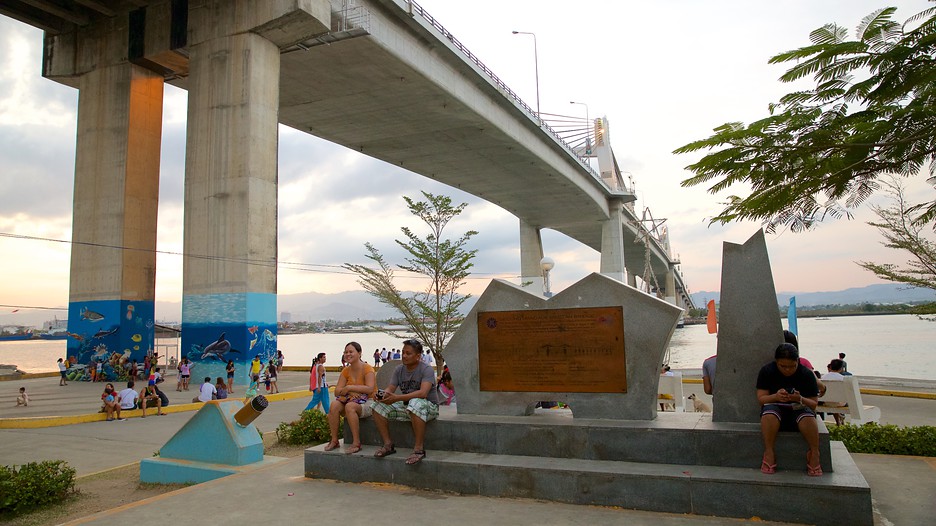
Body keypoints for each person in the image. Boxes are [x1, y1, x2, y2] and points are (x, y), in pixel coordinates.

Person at [756, 342, 822, 476]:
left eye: (792, 366)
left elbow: (814, 404)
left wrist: (800, 398)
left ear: (797, 361)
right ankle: (769, 451)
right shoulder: (767, 371)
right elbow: (762, 399)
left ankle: (814, 452)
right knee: (769, 414)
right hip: (775, 406)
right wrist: (776, 397)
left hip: (799, 407)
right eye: (783, 366)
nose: (787, 370)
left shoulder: (806, 374)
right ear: (776, 362)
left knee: (808, 418)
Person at [371, 339, 440, 465]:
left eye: (408, 353)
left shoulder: (427, 370)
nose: (404, 356)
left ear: (418, 356)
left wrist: (397, 398)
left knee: (415, 402)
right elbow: (390, 389)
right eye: (403, 352)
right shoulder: (399, 370)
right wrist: (382, 395)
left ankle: (418, 449)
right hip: (408, 407)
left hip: (429, 407)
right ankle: (388, 445)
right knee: (376, 406)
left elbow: (423, 393)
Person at [324, 341, 376, 454]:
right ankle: (334, 440)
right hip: (350, 399)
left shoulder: (368, 369)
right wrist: (349, 391)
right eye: (346, 352)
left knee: (350, 406)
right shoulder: (346, 371)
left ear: (359, 353)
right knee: (334, 405)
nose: (348, 354)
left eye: (351, 352)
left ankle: (356, 443)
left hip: (368, 402)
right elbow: (337, 391)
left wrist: (349, 387)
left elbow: (370, 389)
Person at [820, 359, 848, 425]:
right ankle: (840, 417)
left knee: (833, 399)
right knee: (837, 400)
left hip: (826, 402)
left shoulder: (823, 377)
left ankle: (838, 420)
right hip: (839, 403)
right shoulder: (843, 378)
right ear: (841, 368)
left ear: (830, 367)